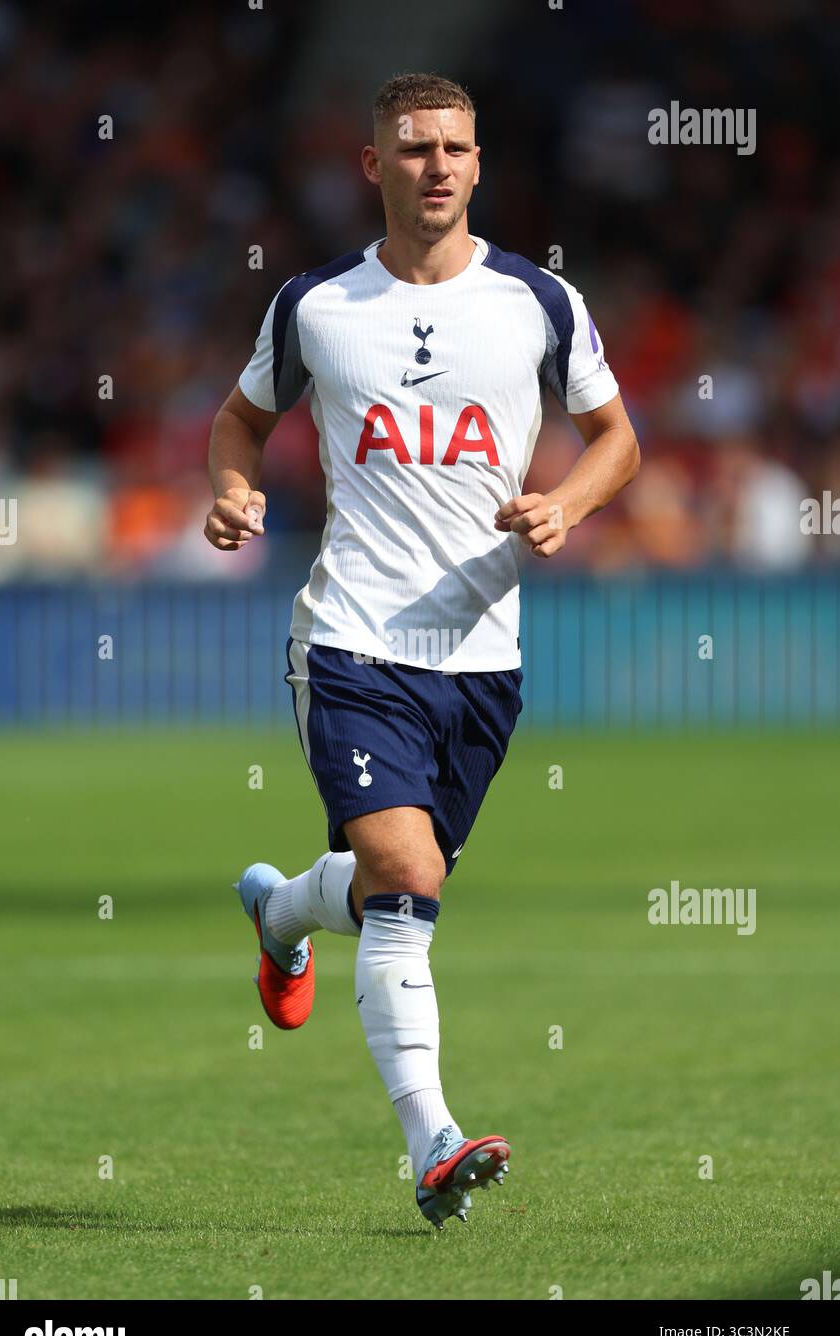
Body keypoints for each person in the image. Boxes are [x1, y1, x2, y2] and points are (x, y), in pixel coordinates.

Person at [205, 72, 640, 1229]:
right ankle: (431, 1143)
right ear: (374, 166)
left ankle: (284, 912)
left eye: (455, 147)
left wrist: (566, 505)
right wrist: (234, 490)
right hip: (349, 639)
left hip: (481, 660)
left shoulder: (539, 302)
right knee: (407, 875)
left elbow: (616, 440)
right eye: (413, 149)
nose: (436, 165)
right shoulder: (315, 306)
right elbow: (239, 418)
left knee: (405, 882)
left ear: (479, 163)